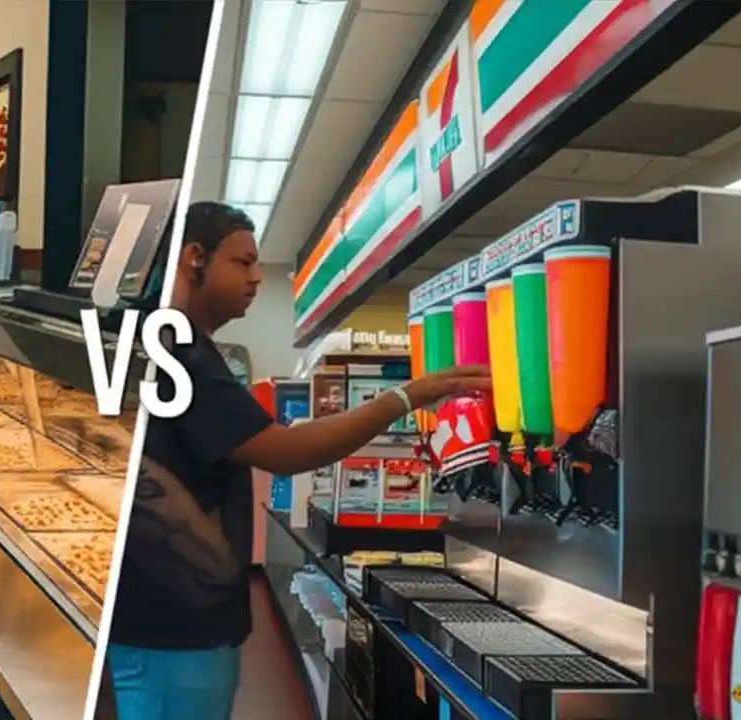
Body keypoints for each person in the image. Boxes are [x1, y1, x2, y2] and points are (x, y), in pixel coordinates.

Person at [105, 201, 490, 720]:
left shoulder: (157, 338)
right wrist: (406, 397)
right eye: (242, 263)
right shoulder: (178, 349)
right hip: (176, 626)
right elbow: (284, 451)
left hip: (161, 614)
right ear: (195, 258)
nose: (257, 278)